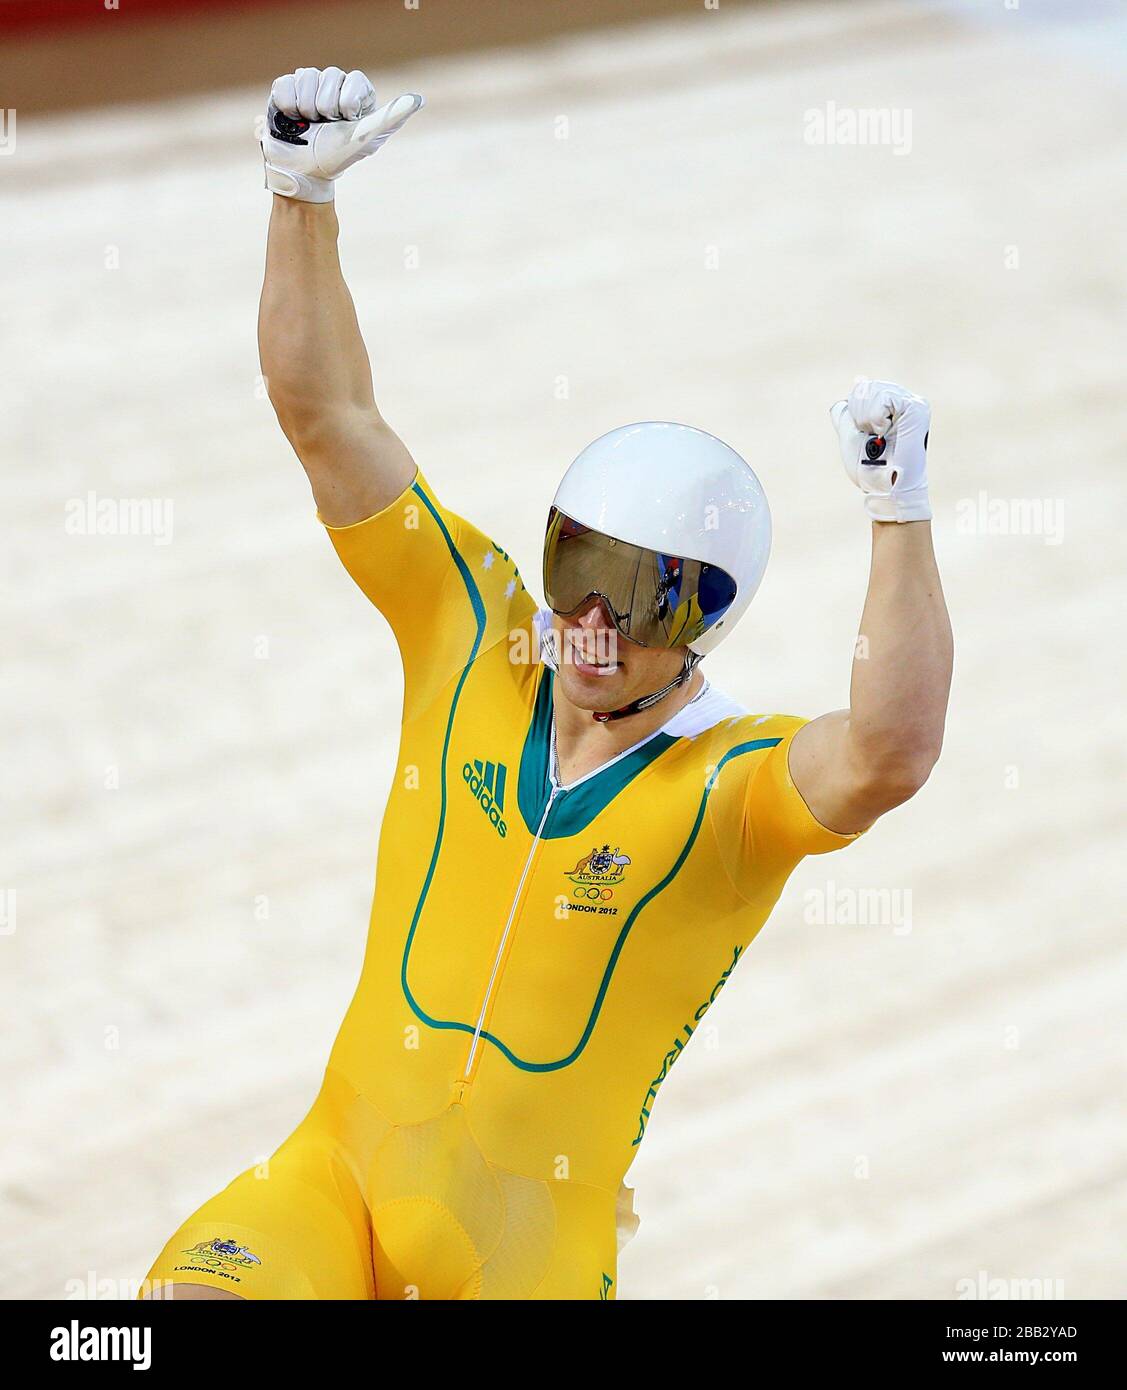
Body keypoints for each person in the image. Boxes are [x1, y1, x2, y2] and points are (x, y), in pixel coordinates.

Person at [143, 67, 952, 1301]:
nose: (587, 618)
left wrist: (897, 515)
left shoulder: (730, 787)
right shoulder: (470, 631)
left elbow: (888, 752)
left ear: (708, 621)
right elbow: (326, 413)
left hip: (523, 1251)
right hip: (332, 1180)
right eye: (577, 565)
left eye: (640, 595)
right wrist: (294, 195)